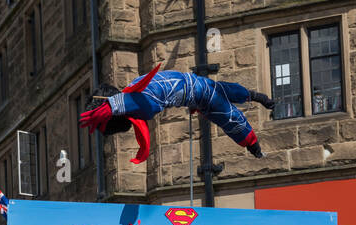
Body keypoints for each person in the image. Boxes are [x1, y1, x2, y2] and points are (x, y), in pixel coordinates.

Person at [79, 65, 273, 161]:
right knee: (229, 91)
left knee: (231, 119)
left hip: (202, 95)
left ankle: (254, 144)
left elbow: (146, 104)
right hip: (198, 90)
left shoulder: (136, 102)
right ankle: (257, 97)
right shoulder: (132, 88)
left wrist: (113, 105)